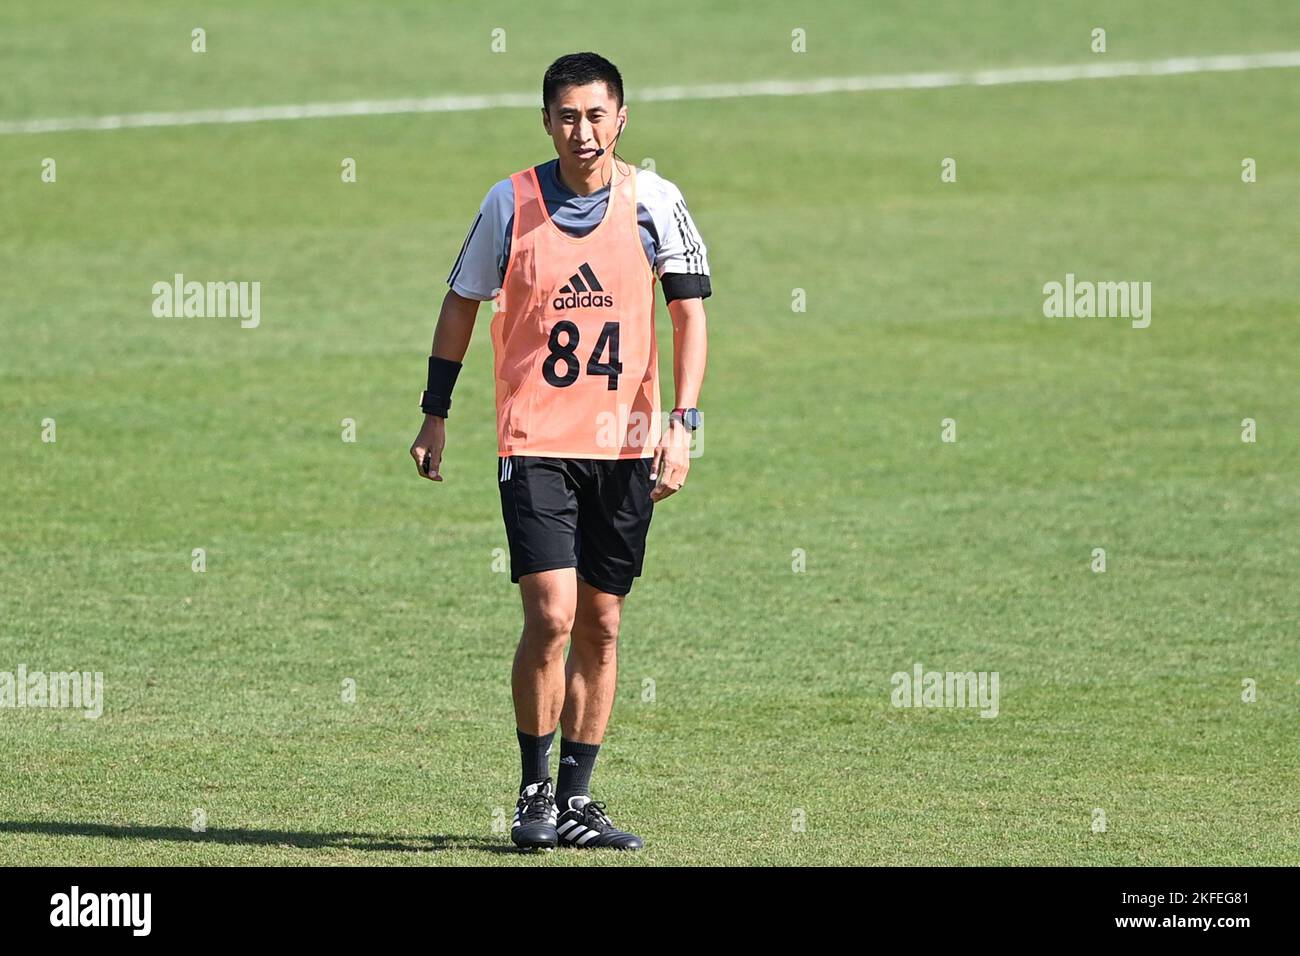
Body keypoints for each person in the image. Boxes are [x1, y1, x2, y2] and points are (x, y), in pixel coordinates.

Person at [410, 52, 710, 850]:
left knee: (602, 624)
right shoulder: (510, 203)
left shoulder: (656, 201)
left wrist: (683, 424)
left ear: (622, 118)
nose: (583, 131)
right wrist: (434, 412)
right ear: (547, 120)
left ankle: (578, 801)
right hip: (535, 440)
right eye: (567, 116)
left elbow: (689, 317)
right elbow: (461, 303)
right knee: (552, 613)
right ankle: (533, 794)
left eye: (597, 115)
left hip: (625, 446)